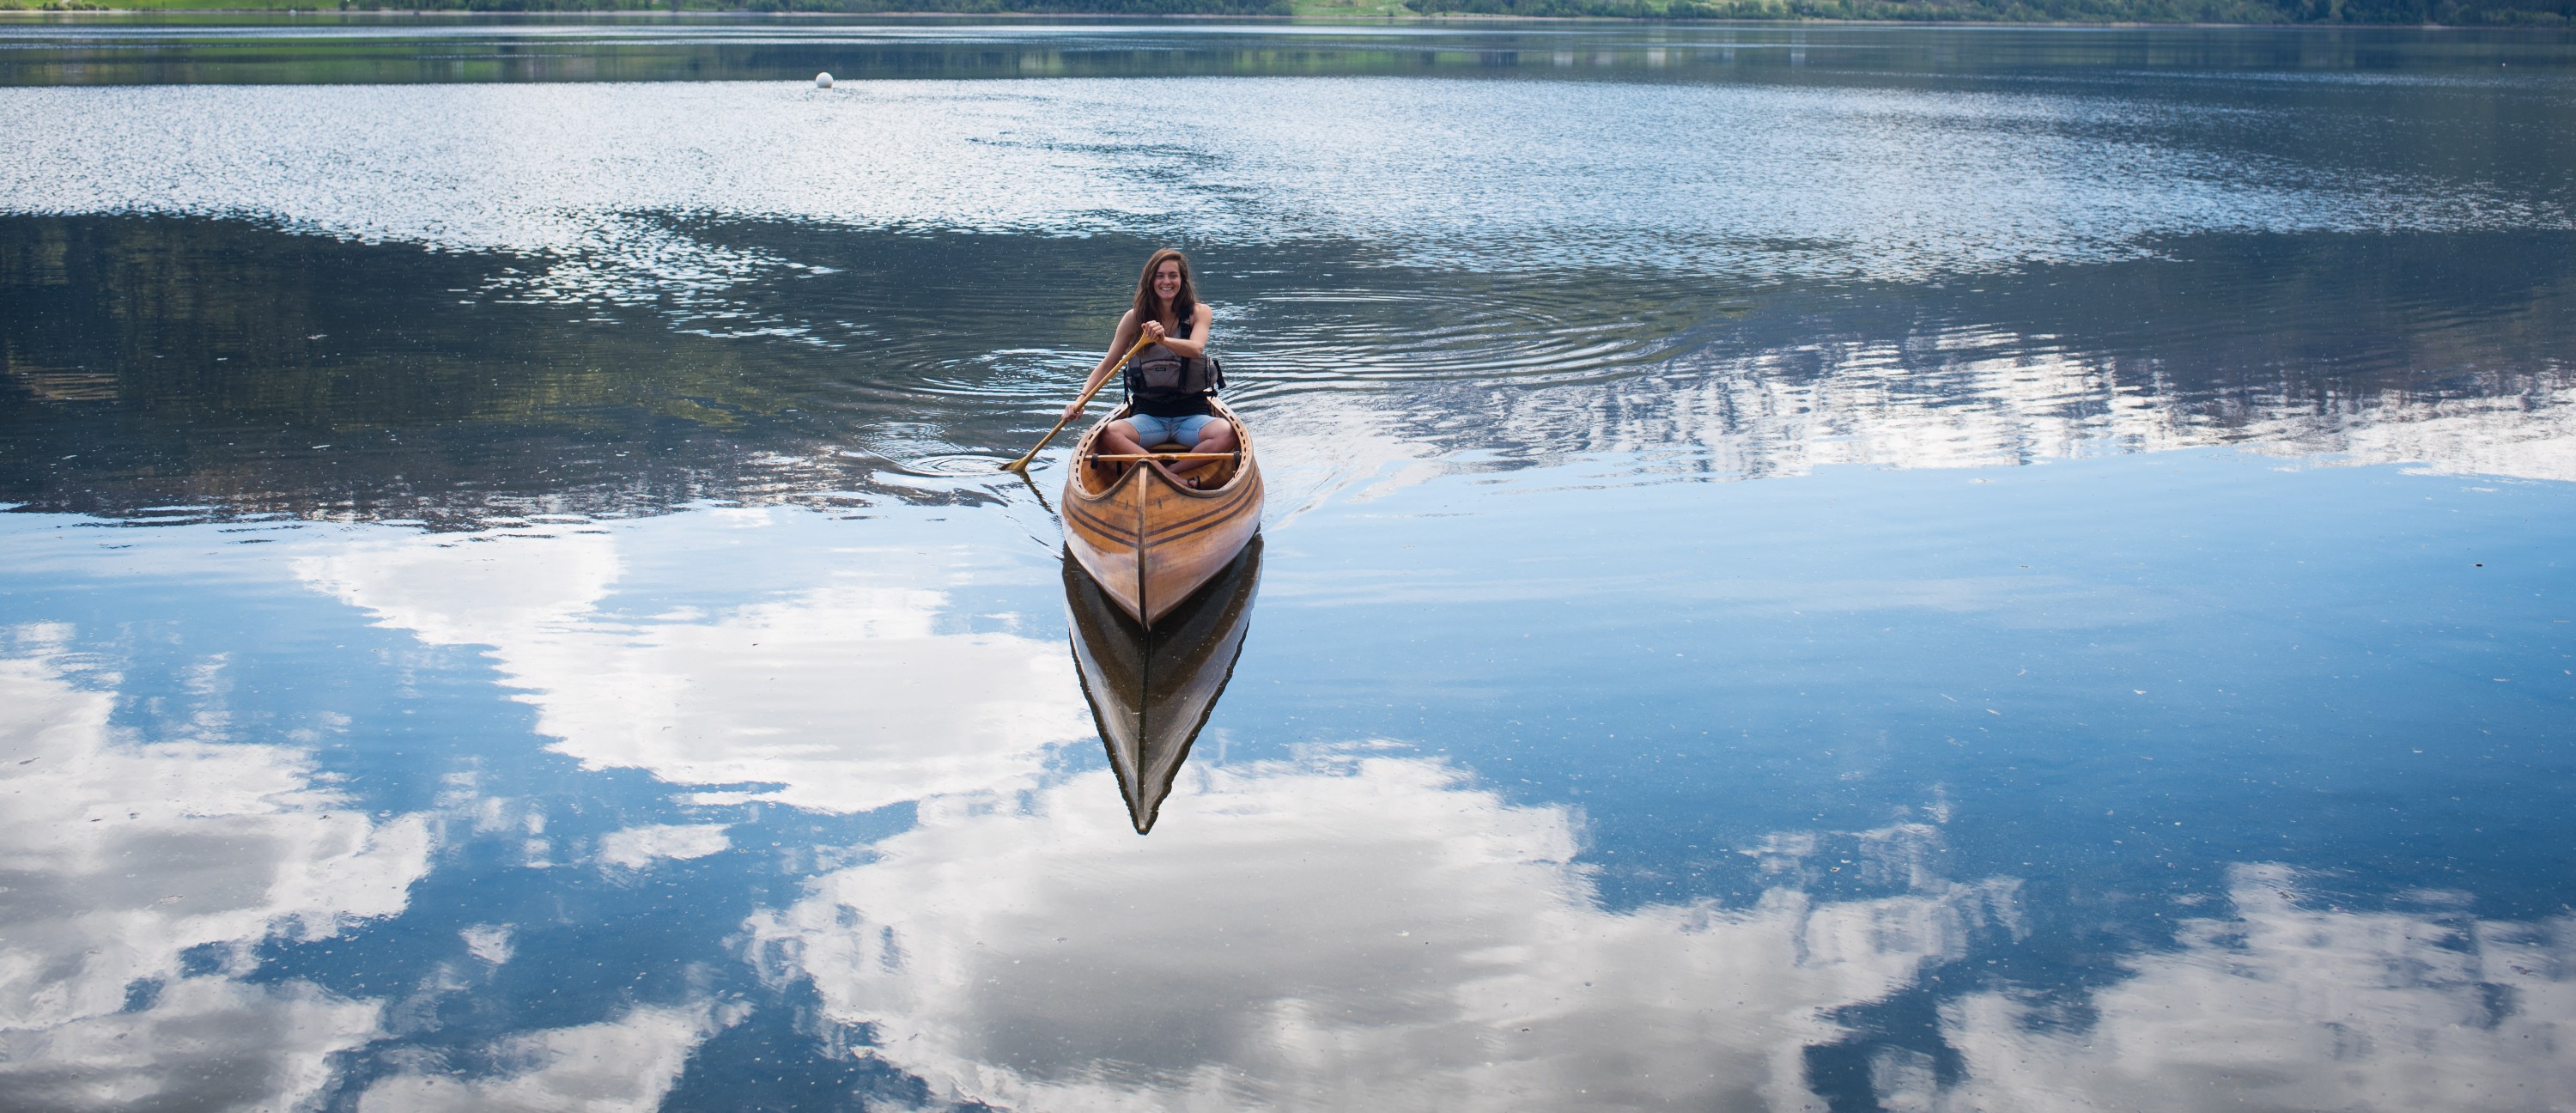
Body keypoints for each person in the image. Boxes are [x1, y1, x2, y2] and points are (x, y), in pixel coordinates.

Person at [1062, 248, 1236, 485]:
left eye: (1173, 275)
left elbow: (1196, 348)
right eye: (1160, 276)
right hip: (1149, 417)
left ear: (1182, 280)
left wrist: (1163, 339)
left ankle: (1169, 473)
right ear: (1150, 281)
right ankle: (1170, 477)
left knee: (1227, 433)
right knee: (1110, 433)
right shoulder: (1134, 319)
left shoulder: (1199, 312)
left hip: (1192, 415)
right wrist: (1080, 399)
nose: (1167, 282)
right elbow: (1108, 364)